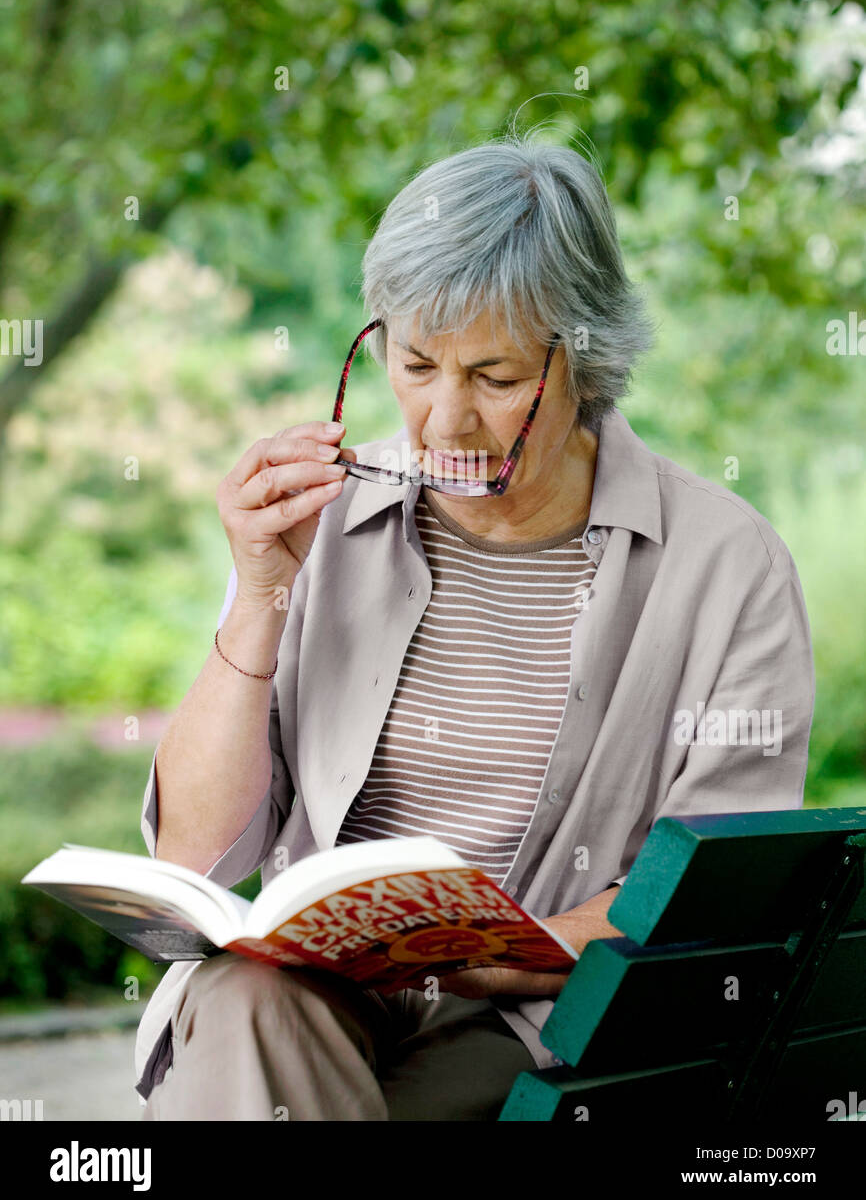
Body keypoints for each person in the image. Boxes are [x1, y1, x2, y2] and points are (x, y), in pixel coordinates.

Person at [135, 131, 815, 1120]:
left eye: (493, 379)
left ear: (586, 360)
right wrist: (258, 594)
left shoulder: (724, 567)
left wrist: (504, 953)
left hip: (534, 1024)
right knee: (246, 999)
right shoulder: (326, 527)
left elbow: (721, 894)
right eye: (414, 364)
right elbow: (193, 858)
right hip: (315, 997)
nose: (442, 421)